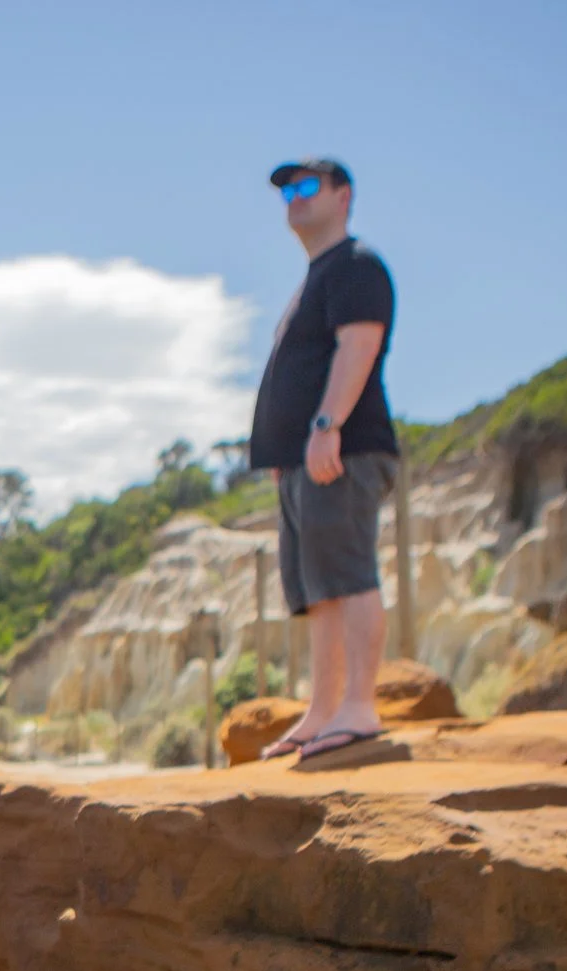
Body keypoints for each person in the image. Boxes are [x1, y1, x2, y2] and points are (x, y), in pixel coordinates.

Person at [247, 157, 398, 761]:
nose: (293, 197)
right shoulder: (316, 277)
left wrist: (326, 426)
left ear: (344, 196)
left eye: (307, 186)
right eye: (286, 189)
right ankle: (323, 711)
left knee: (346, 572)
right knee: (317, 589)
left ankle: (359, 706)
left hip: (342, 449)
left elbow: (359, 345)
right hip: (306, 459)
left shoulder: (356, 266)